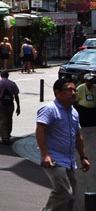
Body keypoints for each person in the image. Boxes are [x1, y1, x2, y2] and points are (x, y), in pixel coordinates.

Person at [37, 78, 90, 210]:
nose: (74, 93)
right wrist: (45, 154)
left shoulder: (73, 112)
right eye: (69, 90)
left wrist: (83, 157)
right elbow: (40, 130)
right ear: (57, 92)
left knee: (71, 197)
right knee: (64, 192)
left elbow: (77, 135)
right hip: (54, 159)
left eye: (75, 90)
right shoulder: (49, 109)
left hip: (69, 160)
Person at [0, 70, 22, 144]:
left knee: (2, 120)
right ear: (8, 75)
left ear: (1, 75)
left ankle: (4, 138)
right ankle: (8, 135)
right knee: (9, 119)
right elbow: (16, 95)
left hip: (0, 103)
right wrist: (18, 106)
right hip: (10, 103)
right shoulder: (12, 83)